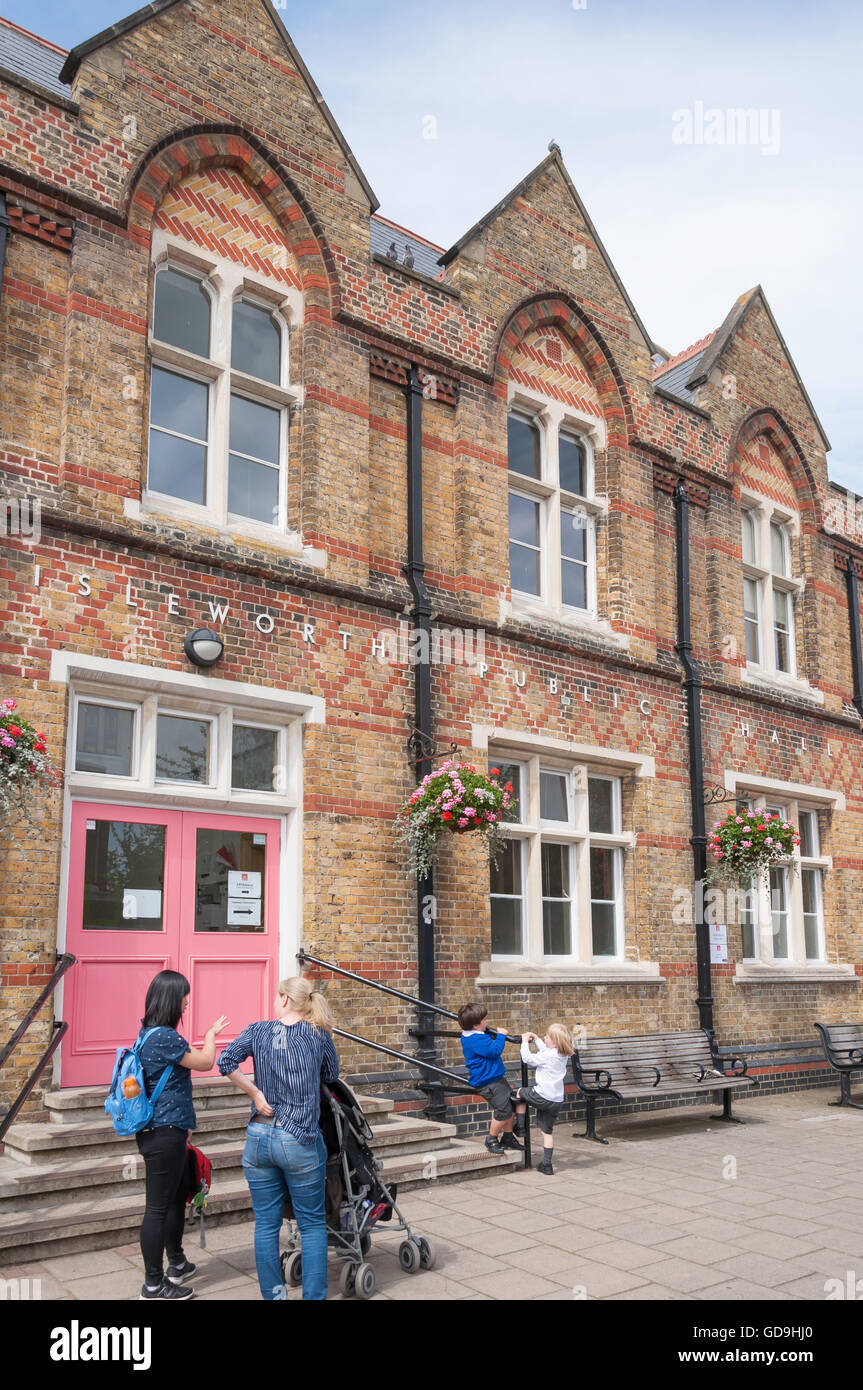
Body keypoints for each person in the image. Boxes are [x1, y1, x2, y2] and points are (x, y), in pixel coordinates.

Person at [218, 977, 339, 1301]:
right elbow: (331, 1076)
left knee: (266, 1226)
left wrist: (256, 1093)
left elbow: (225, 1061)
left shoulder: (258, 1030)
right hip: (298, 1138)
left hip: (258, 1136)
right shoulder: (318, 1035)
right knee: (312, 1225)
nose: (274, 1000)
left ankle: (274, 1296)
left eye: (276, 996)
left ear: (285, 999)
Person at [135, 969, 229, 1301]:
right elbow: (204, 1062)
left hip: (164, 1131)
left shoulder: (147, 1033)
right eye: (184, 996)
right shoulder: (165, 1037)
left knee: (175, 1197)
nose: (187, 1002)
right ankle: (153, 1284)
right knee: (157, 1208)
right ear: (171, 999)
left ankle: (176, 1263)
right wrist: (210, 1036)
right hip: (164, 1133)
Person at [458, 1001, 525, 1156]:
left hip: (495, 1078)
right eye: (483, 1020)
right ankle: (491, 1138)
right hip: (488, 1081)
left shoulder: (475, 1035)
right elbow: (494, 1051)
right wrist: (501, 1035)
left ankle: (508, 1137)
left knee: (510, 1104)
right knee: (503, 1109)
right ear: (476, 1025)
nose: (486, 1022)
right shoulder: (476, 1040)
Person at [519, 1024, 575, 1175]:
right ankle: (547, 1165)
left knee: (519, 1093)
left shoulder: (549, 1055)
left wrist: (525, 1041)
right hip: (556, 1101)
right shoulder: (561, 1054)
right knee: (547, 1132)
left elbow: (527, 1058)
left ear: (555, 1042)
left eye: (547, 1037)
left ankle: (520, 1127)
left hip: (542, 1096)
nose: (545, 1037)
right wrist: (536, 1039)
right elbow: (546, 1051)